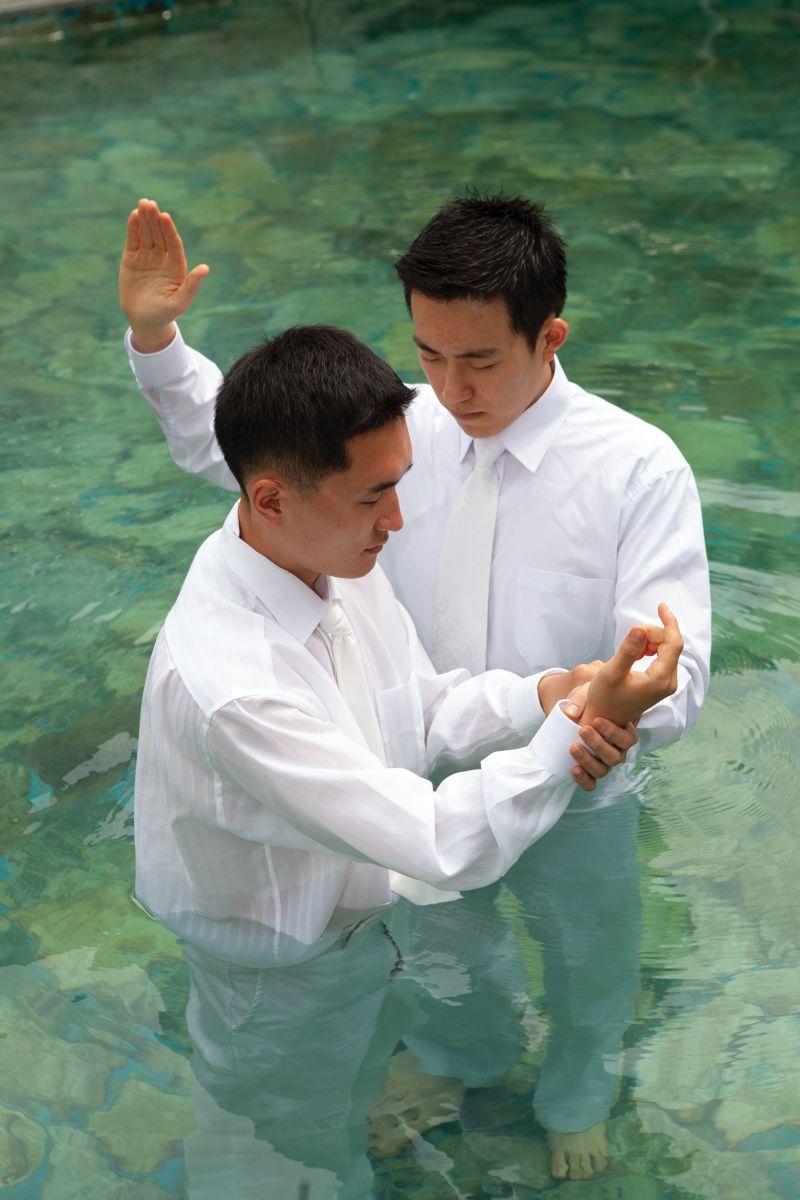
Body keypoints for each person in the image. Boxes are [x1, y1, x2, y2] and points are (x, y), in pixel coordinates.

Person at [120, 195, 711, 1181]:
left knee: (587, 958)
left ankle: (574, 1094)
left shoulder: (633, 468)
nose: (448, 387)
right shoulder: (400, 434)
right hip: (401, 776)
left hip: (572, 768)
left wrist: (592, 705)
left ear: (546, 335)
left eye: (476, 360)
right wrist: (158, 341)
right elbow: (244, 448)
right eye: (428, 355)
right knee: (450, 958)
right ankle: (458, 1063)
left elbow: (671, 670)